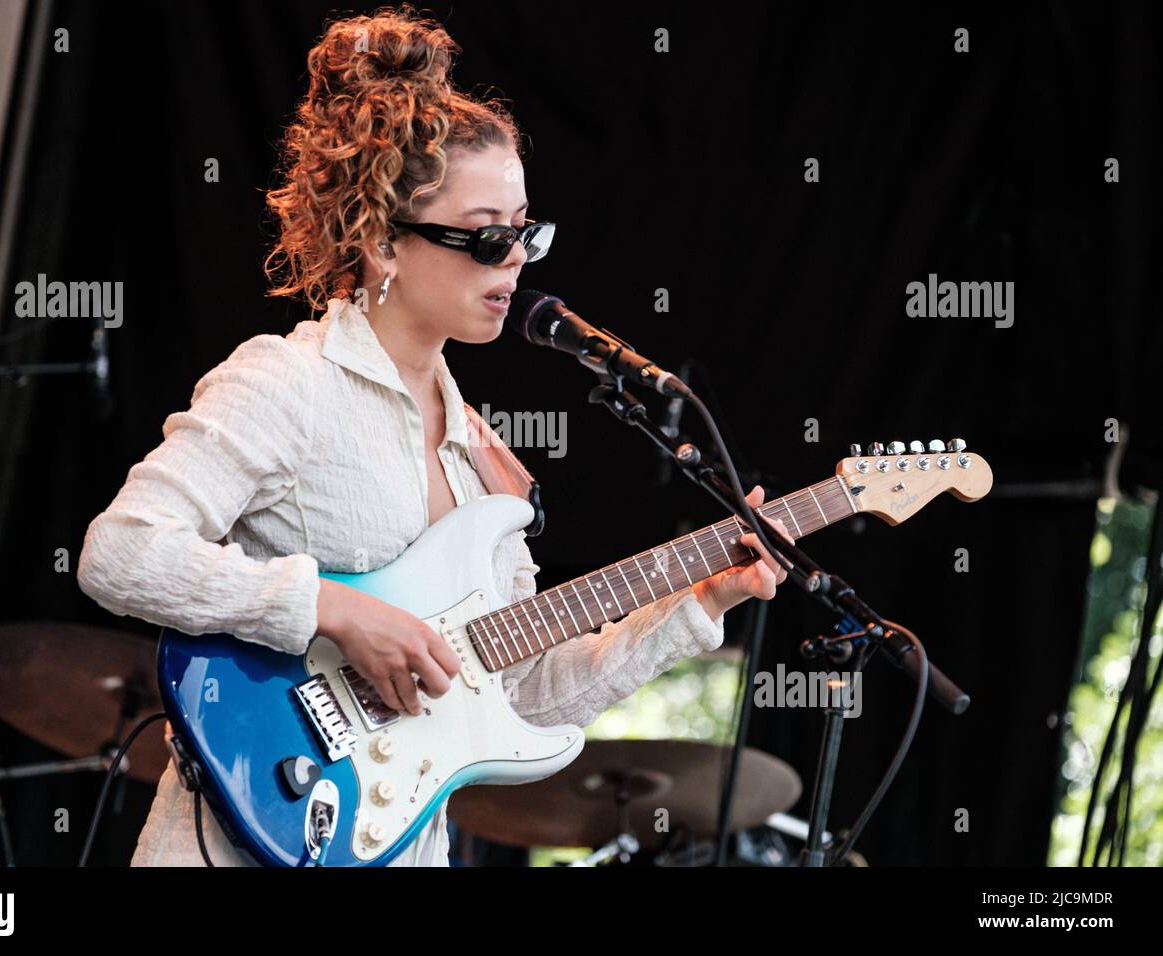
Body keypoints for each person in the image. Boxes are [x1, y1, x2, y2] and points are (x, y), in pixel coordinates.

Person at [76, 5, 790, 867]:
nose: (517, 261)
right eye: (490, 236)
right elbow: (119, 552)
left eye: (526, 232)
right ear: (382, 242)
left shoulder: (484, 458)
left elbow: (528, 697)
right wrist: (333, 609)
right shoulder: (287, 380)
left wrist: (699, 603)